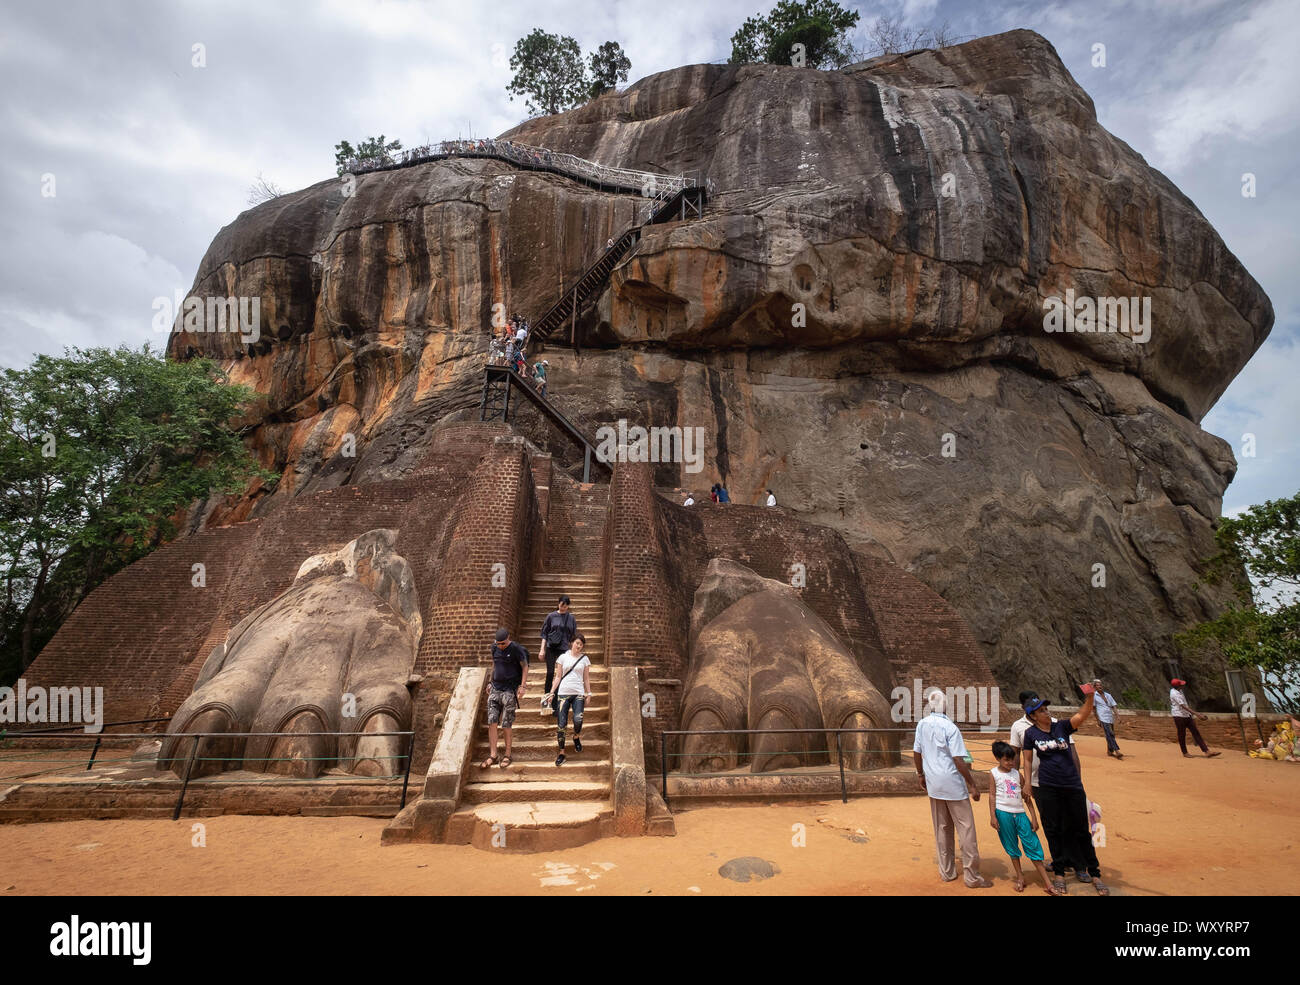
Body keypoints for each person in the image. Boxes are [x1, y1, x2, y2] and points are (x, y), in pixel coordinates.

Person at [1021, 690, 1108, 894]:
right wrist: (1026, 783)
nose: (1046, 712)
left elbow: (1081, 715)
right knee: (1053, 829)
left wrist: (1090, 698)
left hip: (1072, 785)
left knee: (1080, 829)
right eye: (1041, 711)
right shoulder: (1031, 733)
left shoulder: (1062, 727)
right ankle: (1059, 872)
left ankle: (1094, 872)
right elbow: (1026, 759)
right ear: (1033, 716)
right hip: (1049, 786)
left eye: (1046, 709)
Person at [913, 690, 992, 888]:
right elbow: (958, 759)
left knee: (942, 828)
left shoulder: (922, 725)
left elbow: (917, 752)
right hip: (952, 784)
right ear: (945, 706)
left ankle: (947, 872)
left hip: (933, 783)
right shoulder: (950, 727)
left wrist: (920, 774)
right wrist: (972, 784)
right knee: (966, 829)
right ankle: (971, 876)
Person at [988, 740, 1061, 895]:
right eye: (1006, 760)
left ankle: (1048, 883)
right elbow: (992, 796)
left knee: (1032, 844)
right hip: (1003, 814)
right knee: (1012, 847)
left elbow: (1026, 797)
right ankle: (1020, 877)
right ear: (998, 759)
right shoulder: (993, 774)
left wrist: (1033, 817)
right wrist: (993, 816)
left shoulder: (1017, 774)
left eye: (1012, 759)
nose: (1010, 763)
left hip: (1020, 814)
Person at [480, 629, 529, 769]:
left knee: (506, 723)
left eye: (503, 643)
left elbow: (525, 666)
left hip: (510, 689)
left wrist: (523, 686)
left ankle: (507, 755)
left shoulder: (516, 648)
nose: (500, 645)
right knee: (492, 721)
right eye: (498, 643)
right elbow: (494, 665)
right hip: (495, 688)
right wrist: (490, 681)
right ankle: (493, 755)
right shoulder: (494, 647)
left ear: (509, 638)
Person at [547, 633, 592, 766]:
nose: (579, 646)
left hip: (578, 693)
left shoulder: (584, 659)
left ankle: (576, 736)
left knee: (578, 719)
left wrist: (589, 693)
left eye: (581, 644)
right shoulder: (562, 657)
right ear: (572, 642)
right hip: (563, 693)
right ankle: (562, 752)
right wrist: (551, 692)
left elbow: (586, 678)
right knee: (561, 724)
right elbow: (558, 676)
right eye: (577, 643)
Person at [539, 596, 577, 717]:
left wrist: (573, 652)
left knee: (560, 676)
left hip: (564, 649)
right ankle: (546, 704)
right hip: (551, 648)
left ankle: (556, 705)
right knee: (550, 673)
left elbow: (573, 636)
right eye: (562, 605)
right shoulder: (551, 616)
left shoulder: (571, 618)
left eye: (566, 605)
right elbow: (544, 634)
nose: (563, 607)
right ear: (558, 604)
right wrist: (542, 650)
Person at [1170, 678, 1220, 758]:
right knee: (1182, 734)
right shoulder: (1174, 694)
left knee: (1195, 732)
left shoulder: (1180, 691)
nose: (1183, 685)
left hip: (1186, 715)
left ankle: (1207, 751)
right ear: (1178, 686)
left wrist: (1191, 714)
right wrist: (1197, 714)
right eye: (1181, 684)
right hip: (1179, 716)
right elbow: (1183, 706)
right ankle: (1185, 752)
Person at [1092, 679, 1123, 759]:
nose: (1099, 686)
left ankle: (1109, 751)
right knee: (1109, 734)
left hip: (1109, 716)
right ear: (1095, 687)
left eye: (1100, 685)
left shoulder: (1108, 695)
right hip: (1102, 717)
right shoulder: (1094, 696)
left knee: (1111, 734)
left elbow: (1114, 706)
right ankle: (1117, 751)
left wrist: (1118, 716)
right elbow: (1094, 709)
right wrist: (1098, 720)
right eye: (1097, 685)